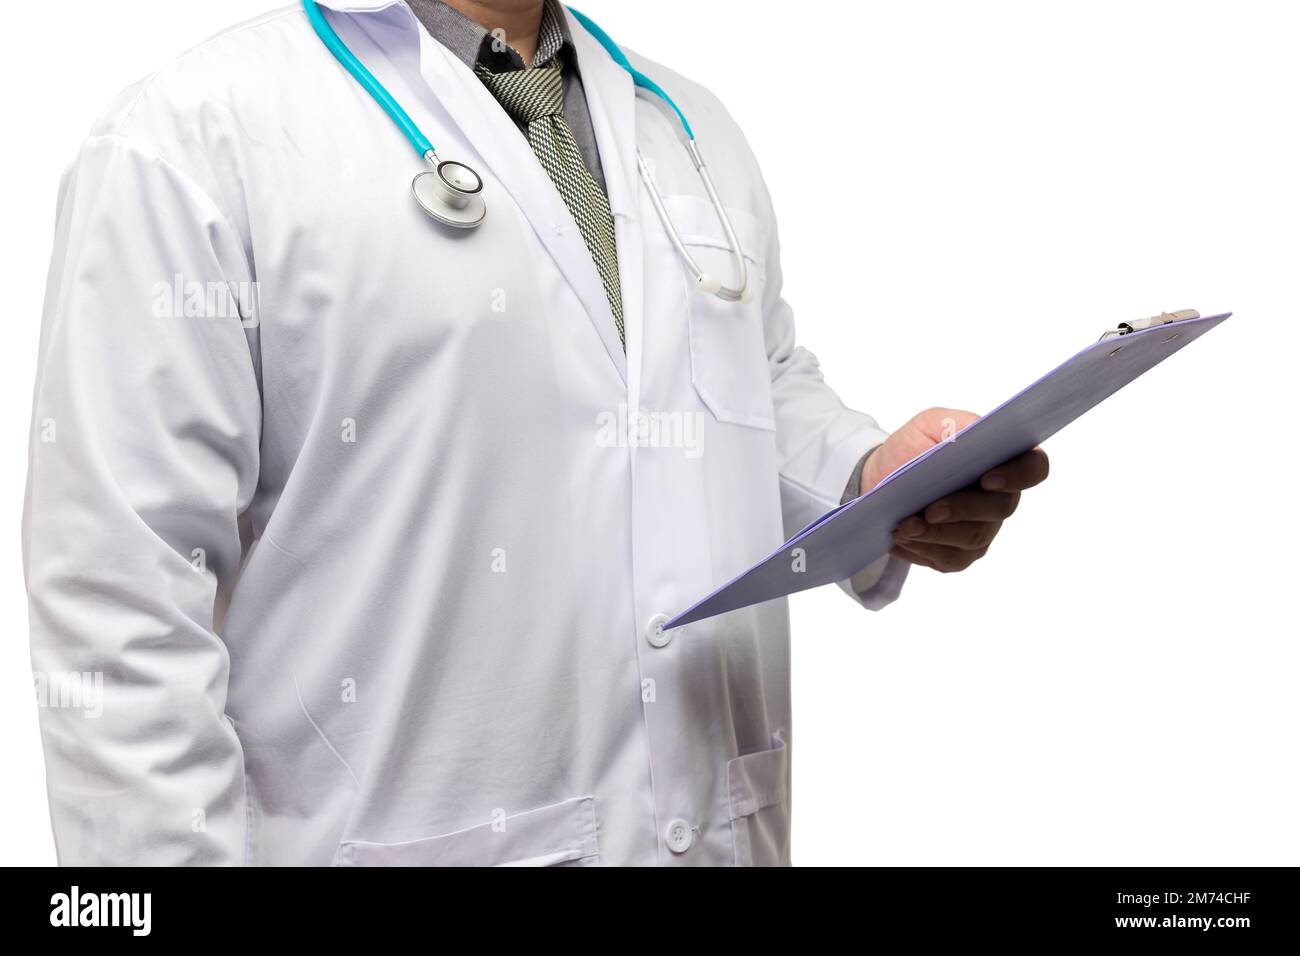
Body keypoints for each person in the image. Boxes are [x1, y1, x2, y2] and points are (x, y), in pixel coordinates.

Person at [24, 0, 1048, 866]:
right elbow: (119, 594)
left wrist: (871, 476)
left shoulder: (685, 123)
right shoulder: (189, 140)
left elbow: (750, 387)